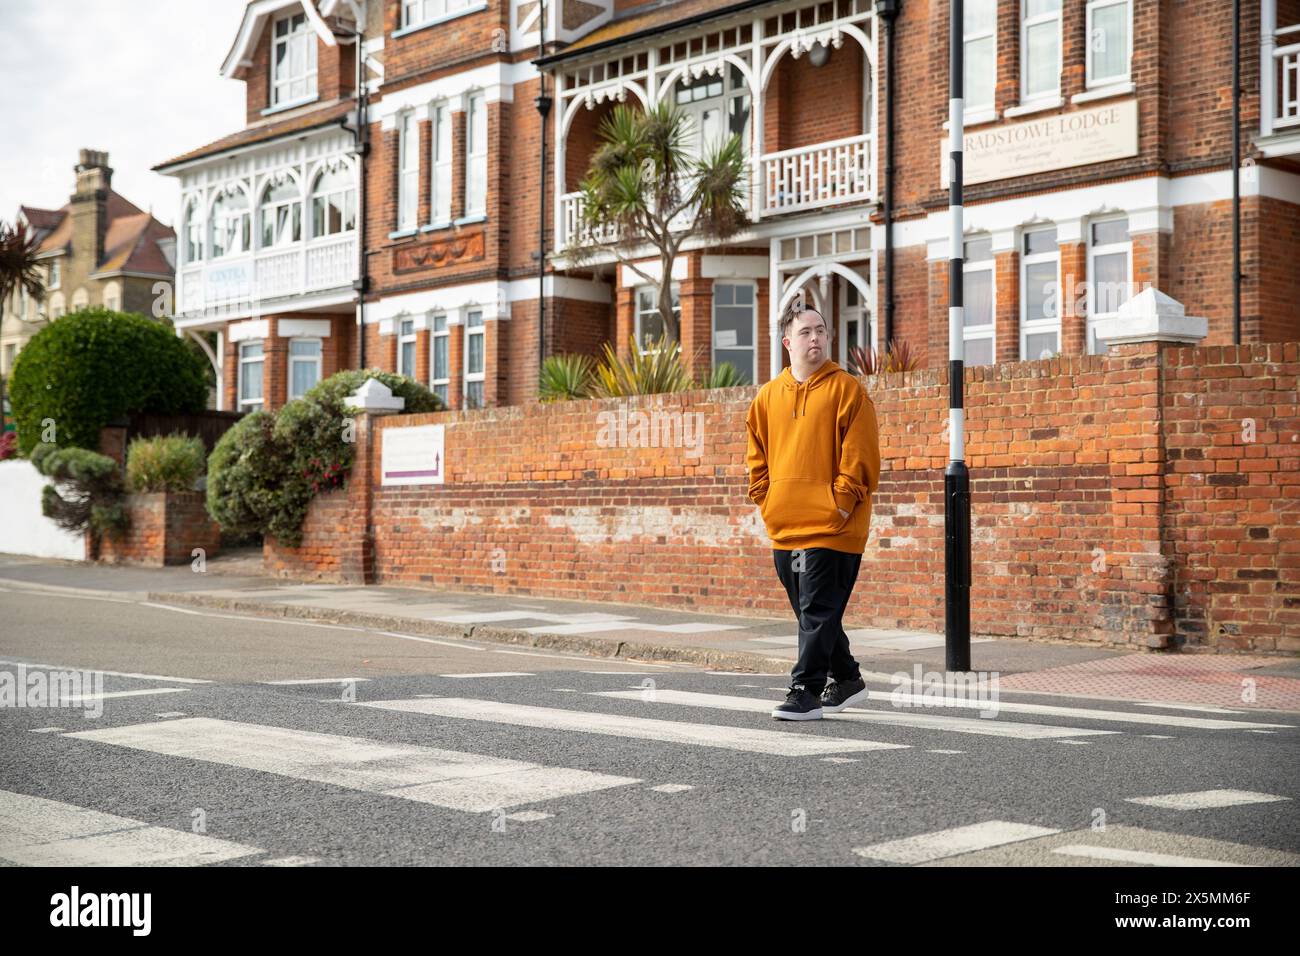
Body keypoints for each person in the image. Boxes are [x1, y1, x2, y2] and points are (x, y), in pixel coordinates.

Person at [745, 305, 882, 720]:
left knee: (817, 610)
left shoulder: (848, 390)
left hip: (834, 529)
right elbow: (757, 459)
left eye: (821, 330)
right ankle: (847, 679)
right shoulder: (767, 397)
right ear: (788, 342)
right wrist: (767, 502)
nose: (816, 339)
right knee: (811, 612)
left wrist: (839, 505)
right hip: (785, 527)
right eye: (806, 332)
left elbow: (861, 458)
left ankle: (805, 689)